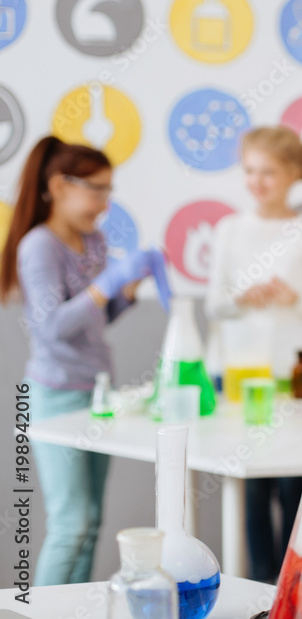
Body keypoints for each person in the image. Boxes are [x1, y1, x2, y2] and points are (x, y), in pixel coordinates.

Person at [0, 136, 163, 585]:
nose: (104, 203)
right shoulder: (39, 246)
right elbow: (50, 326)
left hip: (95, 394)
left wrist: (127, 287)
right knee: (70, 523)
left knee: (91, 522)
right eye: (96, 189)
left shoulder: (93, 241)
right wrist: (107, 282)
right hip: (54, 395)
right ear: (59, 185)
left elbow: (97, 317)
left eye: (108, 191)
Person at [204, 125, 302, 583]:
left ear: (292, 175)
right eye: (250, 171)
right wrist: (245, 295)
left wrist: (291, 298)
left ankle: (294, 590)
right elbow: (214, 305)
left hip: (293, 380)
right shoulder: (229, 230)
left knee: (293, 486)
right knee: (251, 487)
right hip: (240, 380)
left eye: (268, 172)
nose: (257, 181)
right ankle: (259, 591)